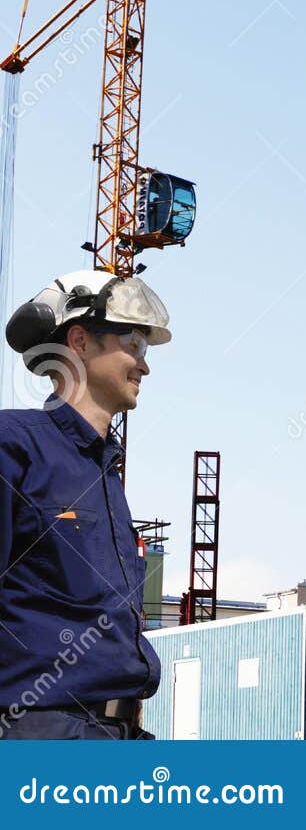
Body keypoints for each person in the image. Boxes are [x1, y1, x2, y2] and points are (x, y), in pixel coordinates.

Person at [0, 270, 172, 739]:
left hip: (112, 732)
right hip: (41, 732)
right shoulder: (14, 445)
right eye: (134, 345)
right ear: (79, 341)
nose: (144, 366)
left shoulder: (104, 471)